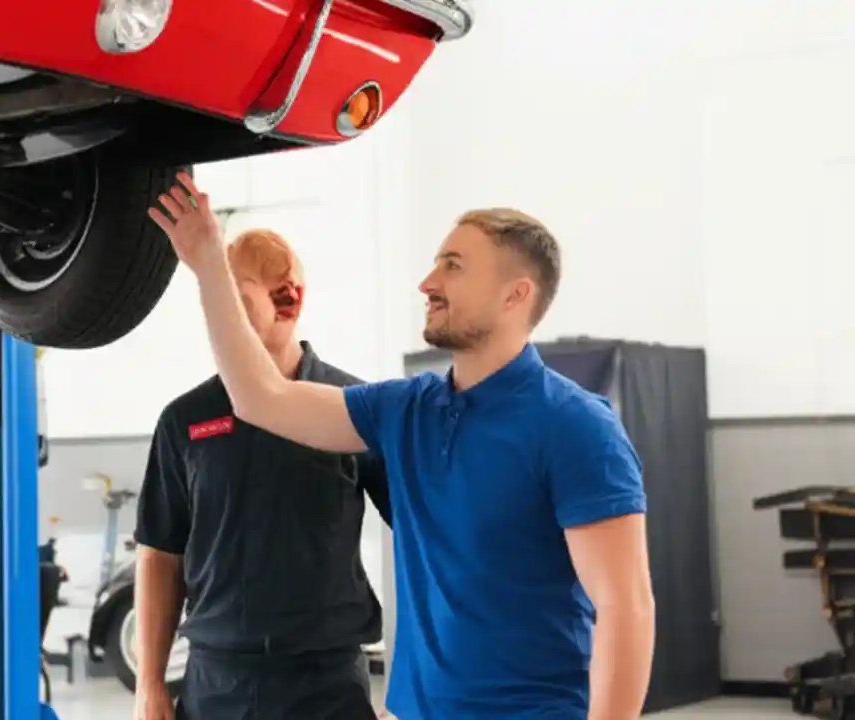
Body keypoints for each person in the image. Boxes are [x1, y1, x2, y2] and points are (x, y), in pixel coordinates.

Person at [146, 173, 656, 720]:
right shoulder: (403, 410)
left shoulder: (576, 428)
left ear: (516, 293)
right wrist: (207, 264)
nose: (428, 282)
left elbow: (625, 606)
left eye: (453, 266)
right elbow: (259, 397)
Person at [132, 228, 393, 720]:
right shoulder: (185, 420)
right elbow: (159, 554)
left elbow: (422, 535)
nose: (220, 313)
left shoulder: (354, 408)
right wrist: (149, 684)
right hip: (217, 684)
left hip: (327, 683)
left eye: (233, 295)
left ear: (287, 299)